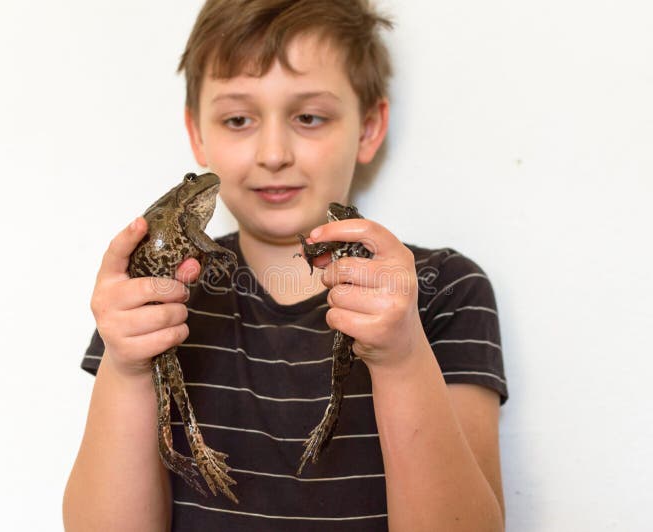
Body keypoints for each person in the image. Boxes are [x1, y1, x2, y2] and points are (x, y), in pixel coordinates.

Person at [63, 0, 508, 530]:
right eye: (238, 119)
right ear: (198, 134)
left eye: (309, 117)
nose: (273, 152)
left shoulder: (441, 288)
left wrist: (402, 354)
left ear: (368, 127)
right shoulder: (152, 294)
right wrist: (126, 364)